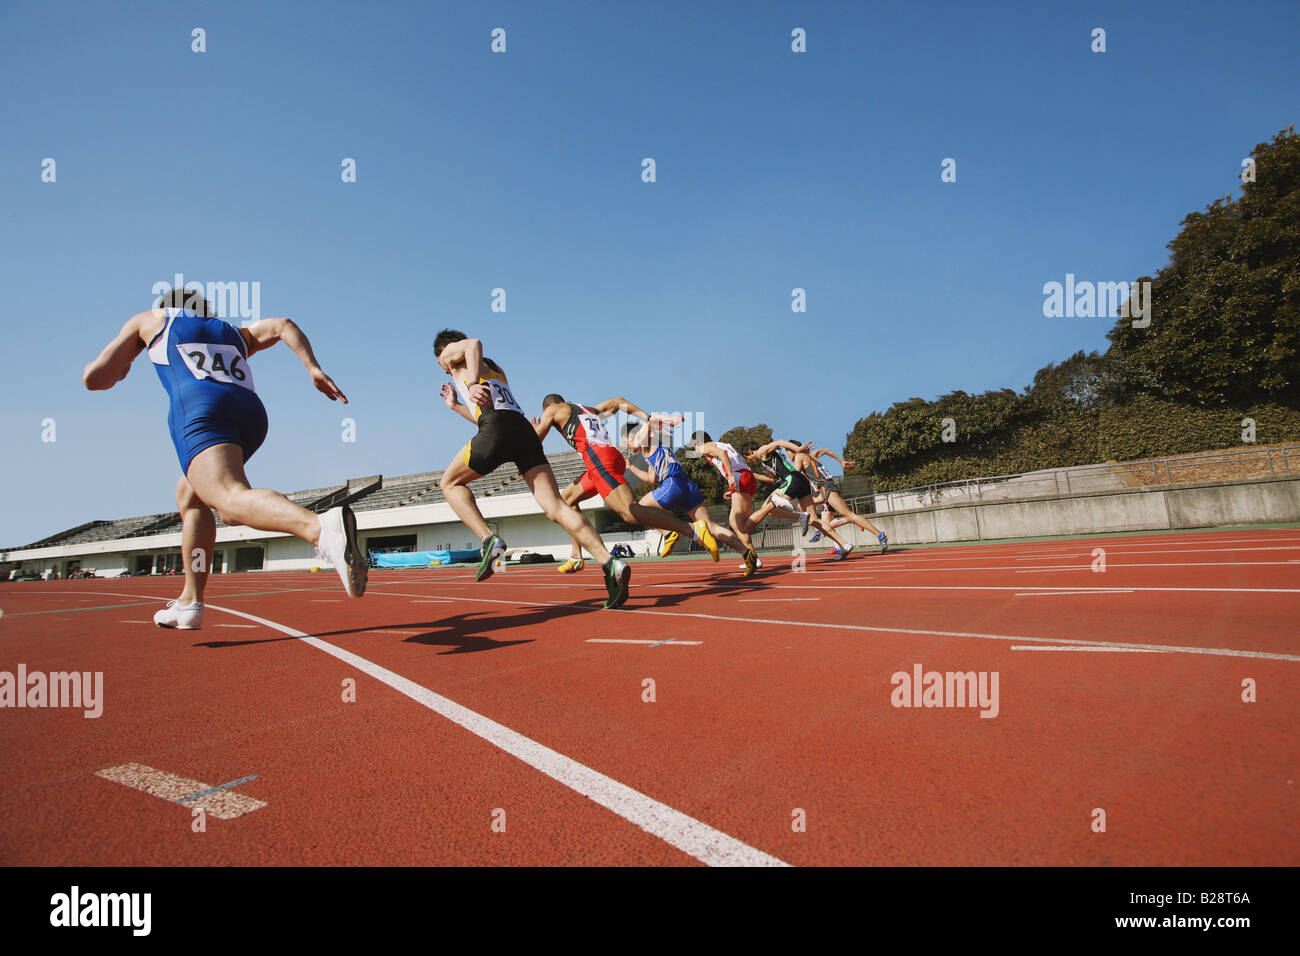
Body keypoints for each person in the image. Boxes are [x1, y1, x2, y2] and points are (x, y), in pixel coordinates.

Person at [81, 288, 366, 630]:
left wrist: (124, 363)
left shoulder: (152, 320)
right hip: (250, 414)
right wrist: (313, 368)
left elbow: (95, 379)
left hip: (200, 408)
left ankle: (320, 528)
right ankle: (190, 602)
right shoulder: (233, 332)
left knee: (229, 502)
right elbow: (283, 325)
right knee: (191, 495)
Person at [434, 330, 631, 609]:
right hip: (522, 431)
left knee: (449, 484)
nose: (444, 369)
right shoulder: (496, 369)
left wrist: (472, 380)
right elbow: (484, 416)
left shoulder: (451, 356)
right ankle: (610, 563)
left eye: (441, 363)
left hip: (499, 428)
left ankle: (488, 539)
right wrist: (456, 405)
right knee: (556, 507)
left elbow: (474, 343)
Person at [533, 395, 720, 572]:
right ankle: (576, 556)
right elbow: (619, 401)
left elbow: (534, 442)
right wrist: (647, 418)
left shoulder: (553, 409)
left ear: (548, 407)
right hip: (610, 457)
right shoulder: (589, 410)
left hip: (599, 459)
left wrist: (535, 428)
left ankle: (693, 530)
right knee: (567, 500)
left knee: (631, 512)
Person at [621, 418, 759, 576]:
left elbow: (650, 421)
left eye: (626, 441)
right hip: (687, 488)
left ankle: (669, 533)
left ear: (632, 435)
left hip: (672, 484)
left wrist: (669, 420)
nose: (628, 446)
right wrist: (630, 466)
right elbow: (651, 479)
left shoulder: (643, 438)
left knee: (637, 510)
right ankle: (747, 554)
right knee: (711, 527)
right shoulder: (652, 447)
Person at [743, 440, 854, 560]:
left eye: (747, 457)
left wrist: (798, 449)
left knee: (767, 508)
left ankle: (796, 513)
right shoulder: (765, 462)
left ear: (751, 451)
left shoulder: (761, 450)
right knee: (814, 520)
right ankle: (844, 544)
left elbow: (779, 442)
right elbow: (770, 479)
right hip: (801, 481)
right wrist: (751, 473)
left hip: (792, 479)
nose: (748, 460)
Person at [685, 431, 761, 563]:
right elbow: (733, 458)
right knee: (741, 523)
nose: (695, 449)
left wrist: (731, 476)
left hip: (738, 477)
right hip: (747, 477)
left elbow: (722, 454)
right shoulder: (724, 444)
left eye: (694, 446)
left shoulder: (706, 447)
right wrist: (732, 489)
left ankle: (752, 557)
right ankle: (752, 556)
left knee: (737, 524)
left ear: (699, 442)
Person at [805, 448, 889, 553]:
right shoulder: (813, 456)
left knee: (833, 522)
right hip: (824, 491)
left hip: (826, 490)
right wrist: (841, 461)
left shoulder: (806, 459)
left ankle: (876, 533)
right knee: (824, 522)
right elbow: (826, 450)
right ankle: (837, 544)